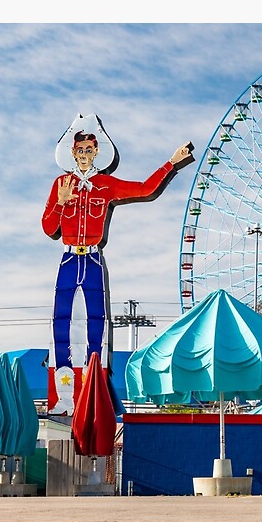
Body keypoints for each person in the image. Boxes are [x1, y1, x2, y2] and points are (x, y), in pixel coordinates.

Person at [42, 122, 194, 414]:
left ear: (97, 152)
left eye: (89, 150)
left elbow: (145, 189)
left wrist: (172, 163)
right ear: (72, 153)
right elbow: (49, 228)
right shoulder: (61, 184)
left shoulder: (106, 185)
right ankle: (63, 396)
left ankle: (93, 393)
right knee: (61, 325)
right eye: (79, 150)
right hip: (68, 259)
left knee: (96, 327)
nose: (84, 155)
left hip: (93, 259)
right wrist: (60, 204)